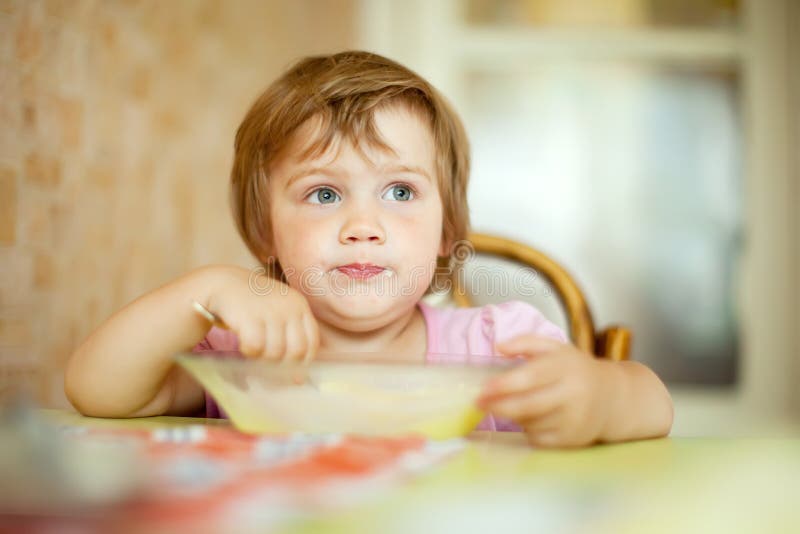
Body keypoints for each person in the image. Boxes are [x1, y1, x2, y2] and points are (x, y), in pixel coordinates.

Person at [65, 51, 673, 448]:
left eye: (401, 190)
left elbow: (653, 400)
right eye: (324, 194)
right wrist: (204, 290)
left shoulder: (495, 346)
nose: (363, 225)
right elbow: (97, 390)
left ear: (445, 233)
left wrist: (600, 398)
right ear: (265, 234)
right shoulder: (240, 359)